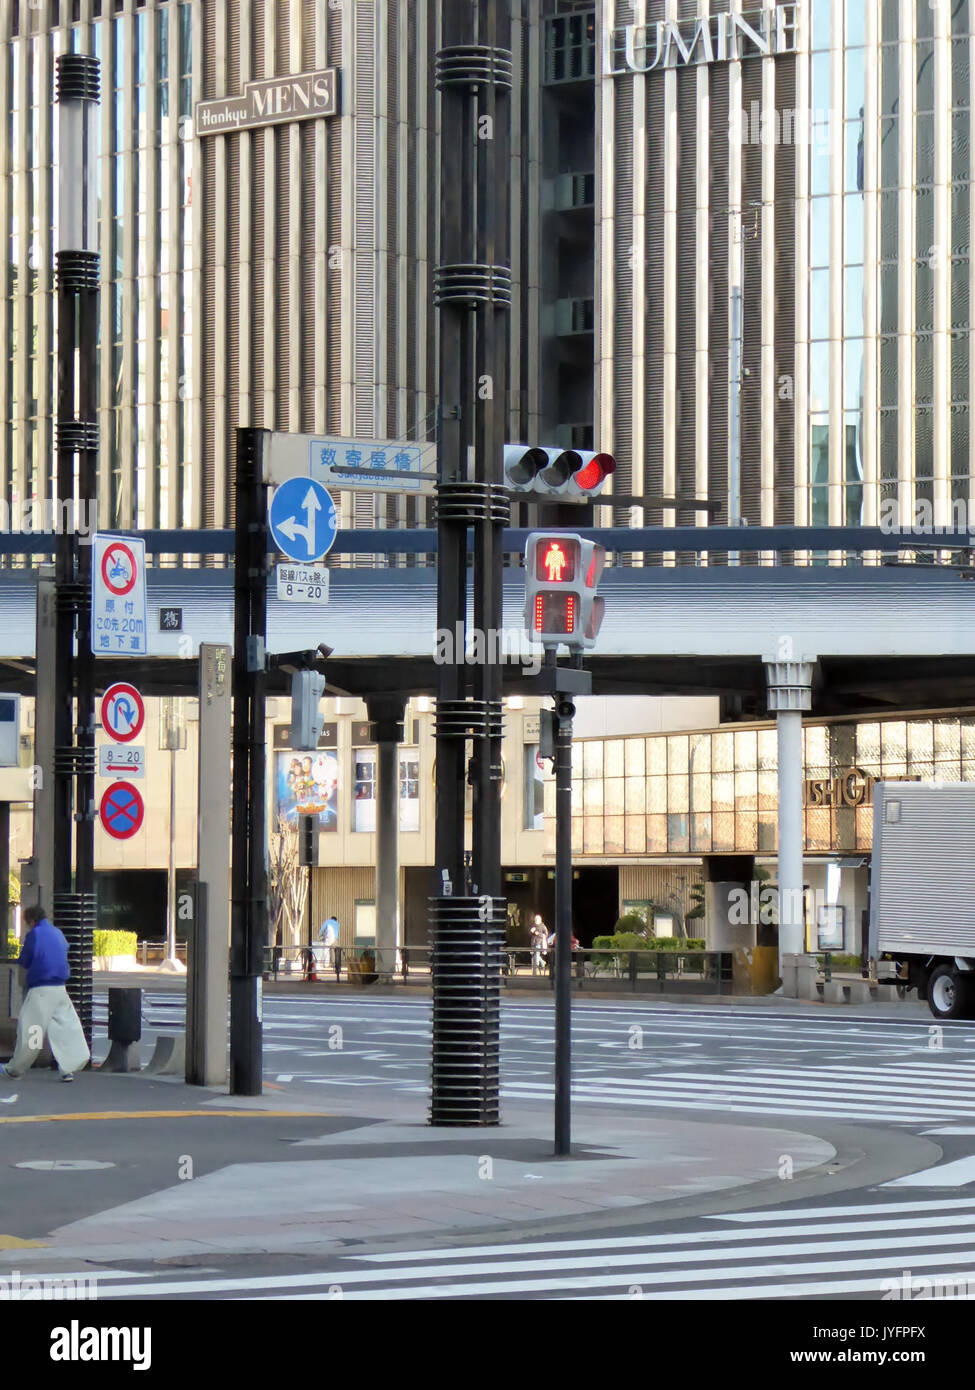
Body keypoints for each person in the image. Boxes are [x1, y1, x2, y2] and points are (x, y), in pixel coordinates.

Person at [1, 906, 90, 1083]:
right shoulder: (57, 933)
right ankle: (67, 1068)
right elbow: (64, 949)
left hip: (41, 989)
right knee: (64, 1028)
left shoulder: (35, 934)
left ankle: (16, 1068)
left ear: (31, 920)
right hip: (60, 988)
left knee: (32, 1029)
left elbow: (25, 960)